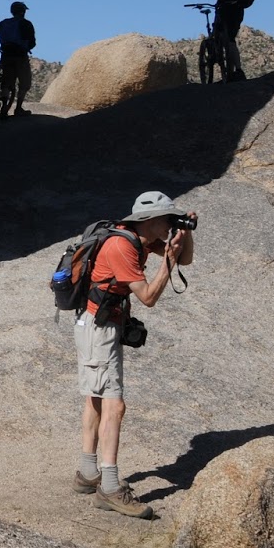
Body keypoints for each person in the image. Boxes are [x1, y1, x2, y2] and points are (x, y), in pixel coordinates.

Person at [74, 191, 196, 519]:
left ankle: (87, 474)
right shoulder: (122, 246)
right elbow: (149, 297)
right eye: (169, 219)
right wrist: (168, 261)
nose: (171, 223)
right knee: (115, 405)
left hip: (98, 325)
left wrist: (184, 236)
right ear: (150, 220)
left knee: (96, 399)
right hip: (98, 329)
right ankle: (111, 489)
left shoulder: (140, 238)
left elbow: (184, 260)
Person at [188, 0, 250, 81]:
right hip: (236, 9)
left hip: (229, 10)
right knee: (230, 39)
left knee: (228, 38)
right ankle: (235, 71)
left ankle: (235, 70)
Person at [0, 1, 36, 114]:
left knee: (7, 81)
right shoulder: (26, 24)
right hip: (20, 55)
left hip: (6, 54)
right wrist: (27, 47)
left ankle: (4, 108)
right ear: (22, 12)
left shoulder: (5, 23)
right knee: (24, 82)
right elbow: (32, 42)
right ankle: (18, 109)